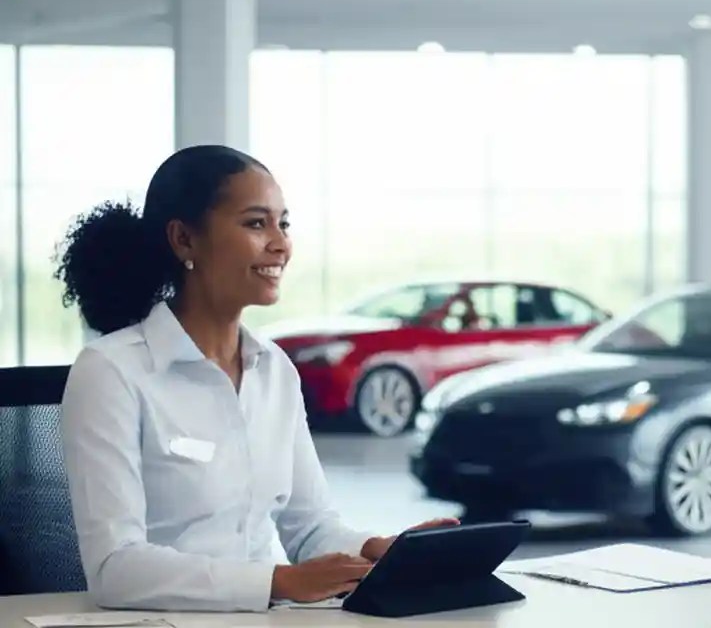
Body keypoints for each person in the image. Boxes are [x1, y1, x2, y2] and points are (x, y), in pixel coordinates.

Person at [55, 145, 457, 611]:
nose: (281, 243)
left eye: (283, 223)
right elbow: (115, 569)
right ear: (184, 239)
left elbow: (310, 528)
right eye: (255, 223)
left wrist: (380, 551)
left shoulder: (276, 370)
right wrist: (278, 583)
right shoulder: (111, 372)